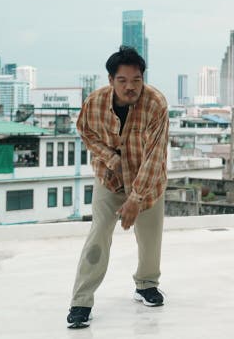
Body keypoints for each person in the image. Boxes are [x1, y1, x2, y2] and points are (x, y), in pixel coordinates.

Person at [66, 46, 169, 329]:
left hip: (147, 180)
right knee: (98, 234)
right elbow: (84, 131)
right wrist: (111, 158)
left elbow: (155, 155)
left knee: (150, 237)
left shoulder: (156, 104)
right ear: (111, 80)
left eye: (137, 79)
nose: (130, 86)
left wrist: (136, 198)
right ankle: (81, 301)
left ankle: (146, 285)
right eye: (123, 80)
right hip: (109, 179)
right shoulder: (95, 101)